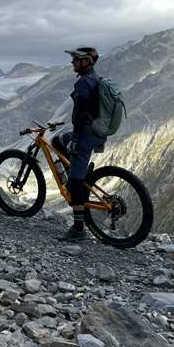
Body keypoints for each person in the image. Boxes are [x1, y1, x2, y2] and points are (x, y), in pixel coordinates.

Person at [51, 46, 106, 242]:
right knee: (56, 141)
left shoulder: (84, 84)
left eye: (75, 59)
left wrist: (75, 140)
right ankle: (76, 172)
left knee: (74, 183)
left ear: (85, 62)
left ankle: (78, 228)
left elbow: (80, 116)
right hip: (97, 132)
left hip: (85, 135)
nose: (72, 62)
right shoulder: (95, 79)